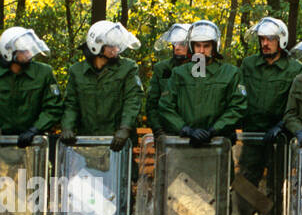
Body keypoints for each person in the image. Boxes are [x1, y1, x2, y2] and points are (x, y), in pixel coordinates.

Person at [235, 16, 302, 215]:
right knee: (243, 186)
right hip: (253, 135)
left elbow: (296, 104)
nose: (265, 43)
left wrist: (282, 126)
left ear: (281, 41)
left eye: (270, 39)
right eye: (262, 39)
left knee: (277, 188)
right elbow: (240, 96)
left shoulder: (296, 68)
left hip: (280, 137)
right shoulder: (248, 64)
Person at [157, 19, 247, 144]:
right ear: (191, 47)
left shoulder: (230, 73)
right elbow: (165, 106)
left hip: (219, 144)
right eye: (198, 45)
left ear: (214, 47)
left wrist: (213, 130)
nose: (201, 51)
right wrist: (185, 129)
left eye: (206, 46)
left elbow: (238, 107)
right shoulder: (179, 73)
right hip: (184, 145)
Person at [61, 21, 143, 154]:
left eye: (117, 45)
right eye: (111, 46)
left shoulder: (128, 68)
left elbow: (133, 100)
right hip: (87, 145)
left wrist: (125, 129)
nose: (115, 49)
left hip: (118, 145)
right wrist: (67, 127)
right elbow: (71, 104)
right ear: (97, 45)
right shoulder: (77, 71)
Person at [0, 27, 61, 146]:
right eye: (23, 50)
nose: (29, 53)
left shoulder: (43, 72)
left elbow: (54, 107)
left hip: (34, 144)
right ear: (9, 52)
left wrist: (35, 129)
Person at [145, 23, 190, 128]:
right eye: (175, 44)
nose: (177, 48)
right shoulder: (161, 68)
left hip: (194, 131)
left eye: (182, 44)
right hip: (166, 131)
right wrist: (158, 130)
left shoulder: (200, 68)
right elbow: (152, 105)